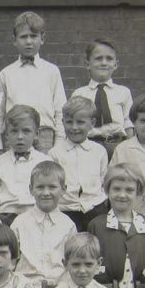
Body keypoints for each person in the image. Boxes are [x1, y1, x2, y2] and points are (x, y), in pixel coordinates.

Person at [0, 11, 66, 156]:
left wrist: (59, 144)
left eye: (33, 36)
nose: (29, 41)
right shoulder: (6, 74)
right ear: (14, 40)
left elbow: (60, 110)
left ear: (42, 38)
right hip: (14, 136)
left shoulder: (52, 71)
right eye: (24, 37)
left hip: (45, 137)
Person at [11, 160, 77, 288]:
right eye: (40, 187)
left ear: (63, 189)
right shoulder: (20, 223)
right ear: (31, 189)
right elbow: (11, 262)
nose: (46, 193)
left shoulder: (68, 225)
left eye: (52, 187)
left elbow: (72, 262)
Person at [48, 96, 109, 232]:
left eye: (80, 122)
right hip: (66, 210)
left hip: (94, 209)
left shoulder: (99, 151)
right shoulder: (55, 153)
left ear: (92, 123)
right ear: (63, 122)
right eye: (69, 122)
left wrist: (100, 202)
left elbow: (104, 180)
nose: (74, 127)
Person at [71, 37, 134, 159]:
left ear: (115, 65)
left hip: (117, 144)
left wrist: (129, 149)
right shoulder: (79, 93)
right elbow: (74, 124)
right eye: (98, 58)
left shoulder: (123, 92)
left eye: (109, 59)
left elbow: (128, 122)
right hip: (89, 145)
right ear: (87, 64)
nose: (104, 63)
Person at [0, 104, 52, 226]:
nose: (20, 137)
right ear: (7, 134)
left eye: (26, 131)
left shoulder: (45, 162)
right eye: (14, 131)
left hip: (34, 215)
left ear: (36, 134)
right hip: (4, 215)